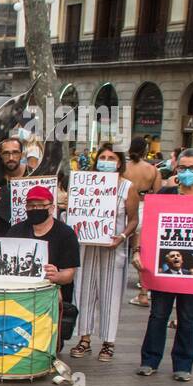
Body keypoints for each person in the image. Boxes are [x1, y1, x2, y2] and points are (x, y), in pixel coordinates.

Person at [136, 148, 193, 381]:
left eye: (192, 168)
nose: (187, 172)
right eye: (182, 168)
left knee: (188, 317)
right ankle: (150, 360)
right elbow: (148, 227)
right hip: (164, 269)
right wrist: (139, 251)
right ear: (176, 169)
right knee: (158, 314)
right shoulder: (166, 194)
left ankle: (183, 364)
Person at [70, 145, 139, 360]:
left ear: (119, 162)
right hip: (87, 246)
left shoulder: (127, 187)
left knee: (111, 293)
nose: (107, 161)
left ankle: (109, 342)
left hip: (113, 247)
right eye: (103, 157)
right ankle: (84, 338)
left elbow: (133, 219)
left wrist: (122, 237)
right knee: (84, 291)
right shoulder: (85, 183)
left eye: (111, 157)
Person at [0, 184, 81, 346]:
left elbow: (69, 274)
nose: (35, 209)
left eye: (41, 205)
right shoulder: (16, 231)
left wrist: (58, 276)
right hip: (19, 293)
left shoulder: (66, 234)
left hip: (49, 294)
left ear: (52, 207)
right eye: (31, 205)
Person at [124, 136, 162, 306]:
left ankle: (143, 293)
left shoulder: (124, 168)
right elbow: (158, 195)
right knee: (142, 252)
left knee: (128, 250)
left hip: (125, 209)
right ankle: (144, 291)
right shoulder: (153, 170)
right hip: (145, 208)